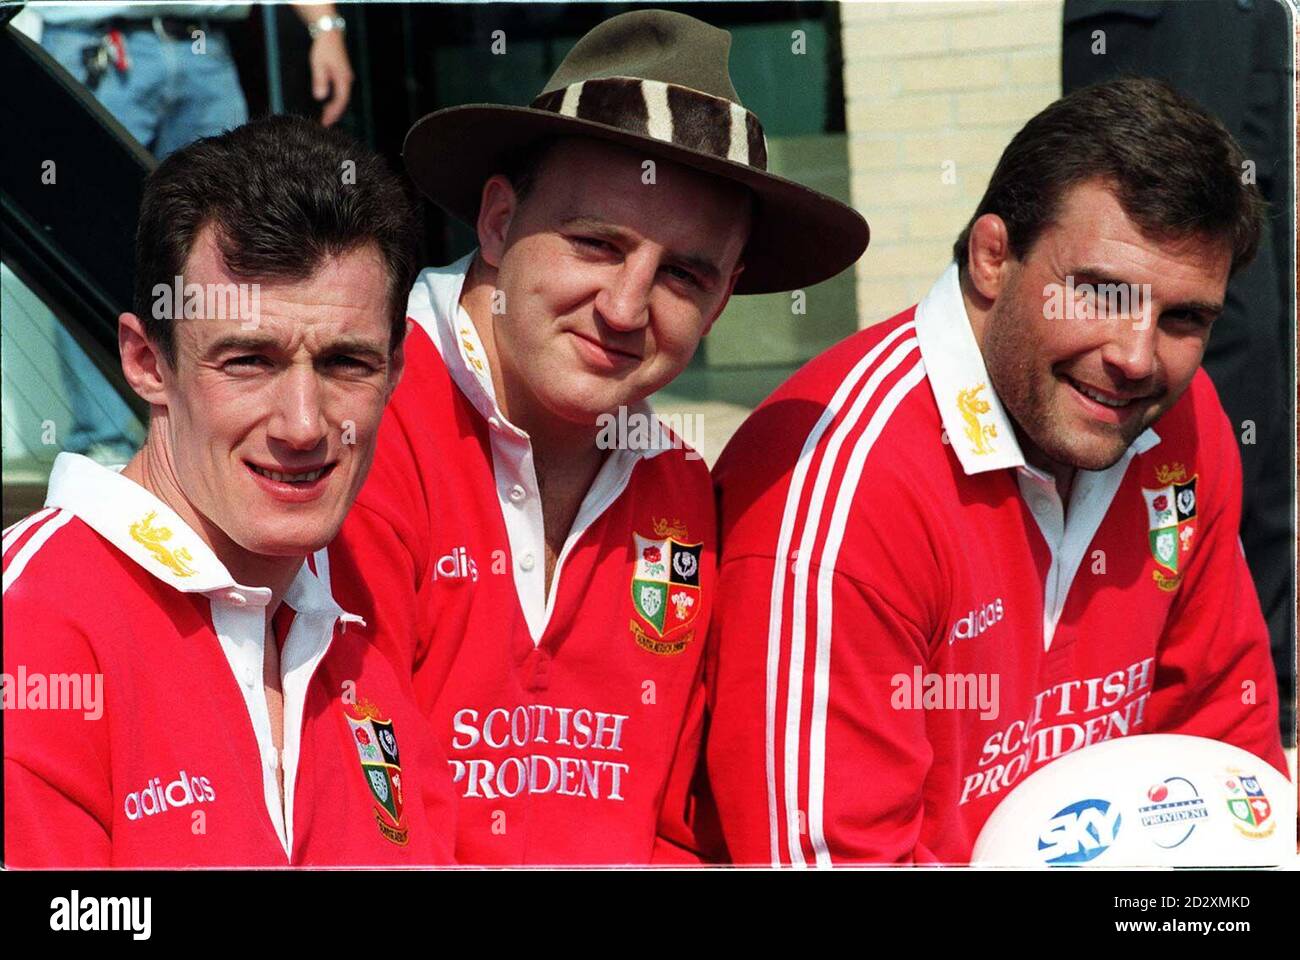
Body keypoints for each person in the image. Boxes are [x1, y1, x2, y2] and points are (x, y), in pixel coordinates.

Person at [323, 8, 869, 864]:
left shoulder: (681, 484)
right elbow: (340, 806)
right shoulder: (350, 412)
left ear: (722, 301)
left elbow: (672, 829)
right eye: (595, 244)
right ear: (498, 223)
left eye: (684, 275)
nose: (624, 307)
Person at [705, 78, 1287, 866]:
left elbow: (1225, 743)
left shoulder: (1184, 419)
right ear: (992, 257)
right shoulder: (843, 477)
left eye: (1185, 317)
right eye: (1101, 294)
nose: (1137, 358)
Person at [2, 115, 455, 867]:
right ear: (148, 362)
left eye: (347, 363)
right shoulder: (33, 630)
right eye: (249, 360)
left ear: (396, 371)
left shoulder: (354, 626)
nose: (304, 424)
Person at [1061, 0, 1295, 747]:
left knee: (1249, 326)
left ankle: (1261, 691)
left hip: (1260, 21)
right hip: (1179, 18)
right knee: (1165, 318)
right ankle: (1152, 703)